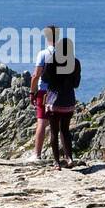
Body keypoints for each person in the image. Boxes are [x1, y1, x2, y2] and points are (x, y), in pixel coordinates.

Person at [43, 36, 82, 168]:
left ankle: (56, 162)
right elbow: (76, 84)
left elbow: (45, 79)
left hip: (54, 101)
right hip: (68, 101)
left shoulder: (51, 61)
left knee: (54, 131)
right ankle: (69, 157)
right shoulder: (75, 63)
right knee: (65, 130)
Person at [30, 26, 62, 161]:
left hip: (44, 92)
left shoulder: (43, 54)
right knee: (60, 123)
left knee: (42, 122)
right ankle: (63, 155)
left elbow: (36, 75)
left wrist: (32, 92)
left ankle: (37, 154)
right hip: (60, 91)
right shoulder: (64, 54)